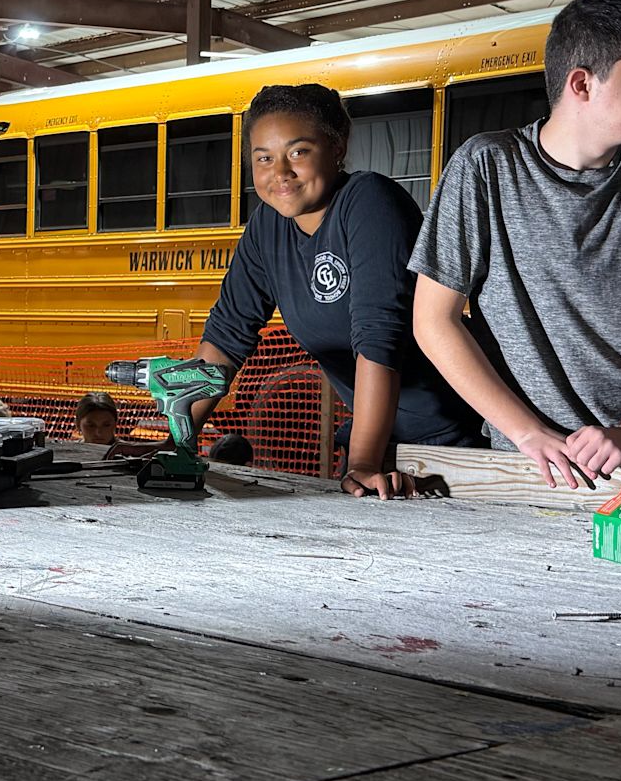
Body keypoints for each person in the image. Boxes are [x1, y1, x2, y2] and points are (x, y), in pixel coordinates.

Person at [409, 0, 621, 489]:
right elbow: (433, 320)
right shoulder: (486, 167)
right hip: (541, 468)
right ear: (582, 83)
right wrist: (527, 433)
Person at [185, 84, 479, 500]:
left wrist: (362, 463)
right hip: (380, 450)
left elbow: (379, 338)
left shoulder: (370, 202)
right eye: (263, 158)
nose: (280, 172)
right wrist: (174, 441)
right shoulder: (266, 228)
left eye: (298, 152)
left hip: (454, 445)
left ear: (337, 146)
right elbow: (224, 341)